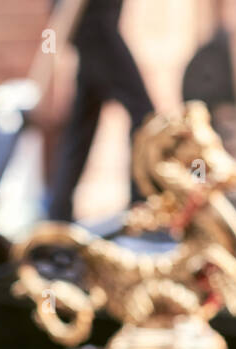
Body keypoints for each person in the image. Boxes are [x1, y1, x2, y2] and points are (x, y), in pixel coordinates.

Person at [46, 0, 154, 221]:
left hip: (93, 29)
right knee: (144, 115)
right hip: (97, 29)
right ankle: (140, 203)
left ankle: (58, 214)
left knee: (82, 127)